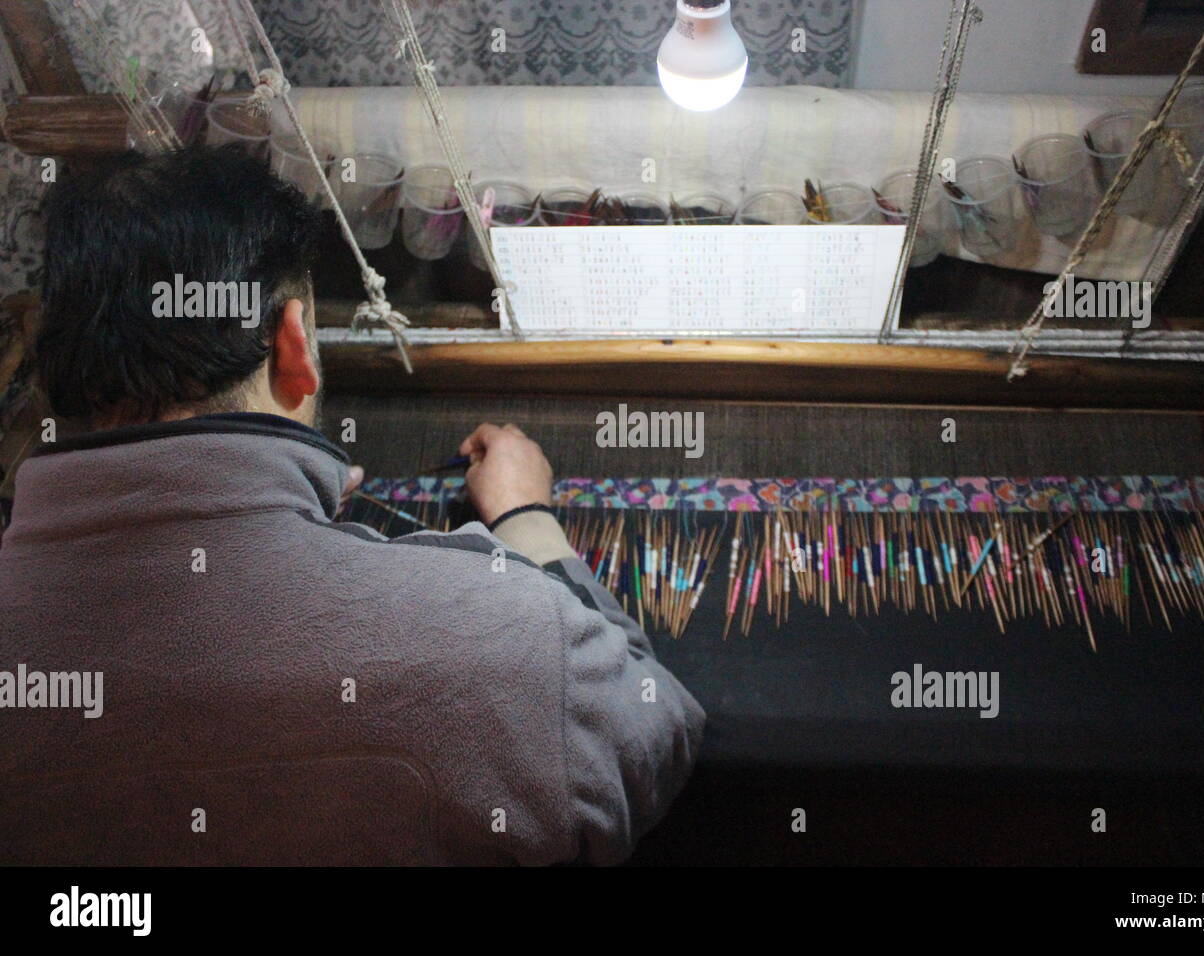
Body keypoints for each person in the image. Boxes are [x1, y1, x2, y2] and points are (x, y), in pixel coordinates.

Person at [0, 145, 704, 866]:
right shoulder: (506, 639)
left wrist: (301, 547)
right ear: (295, 346)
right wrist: (527, 523)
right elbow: (659, 730)